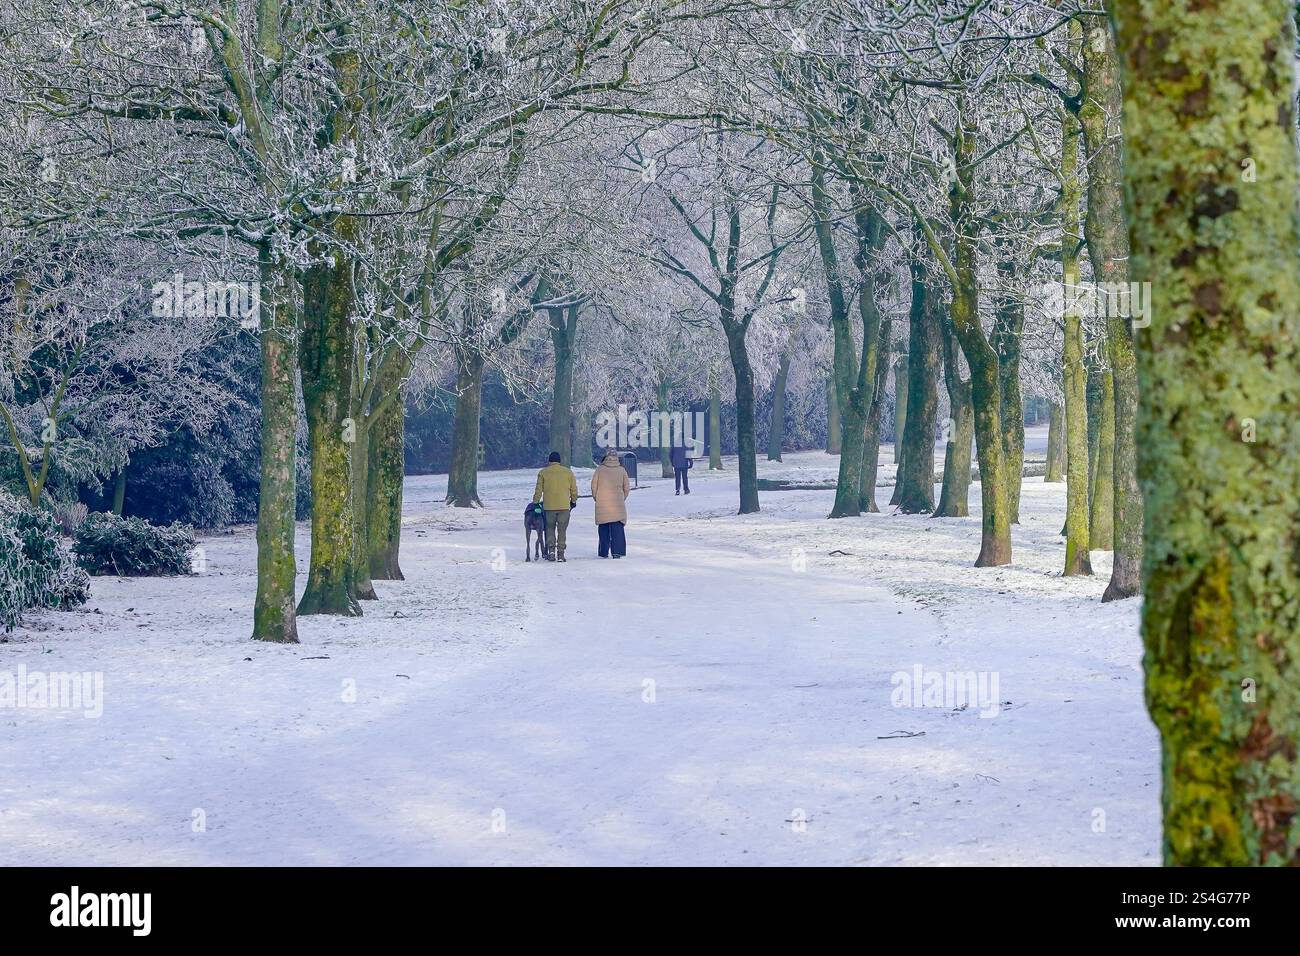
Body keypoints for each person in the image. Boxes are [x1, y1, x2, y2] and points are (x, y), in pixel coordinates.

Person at [532, 451, 578, 562]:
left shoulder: (543, 473)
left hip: (549, 507)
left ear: (549, 461)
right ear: (559, 461)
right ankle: (561, 554)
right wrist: (573, 500)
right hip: (564, 506)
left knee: (549, 529)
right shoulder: (568, 473)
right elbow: (574, 489)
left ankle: (551, 551)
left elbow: (538, 490)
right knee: (562, 530)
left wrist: (536, 502)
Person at [590, 448, 630, 558]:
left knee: (603, 528)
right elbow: (626, 488)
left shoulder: (599, 470)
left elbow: (594, 486)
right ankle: (617, 551)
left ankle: (603, 551)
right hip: (618, 504)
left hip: (602, 503)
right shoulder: (622, 470)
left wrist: (597, 498)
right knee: (617, 528)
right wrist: (622, 498)